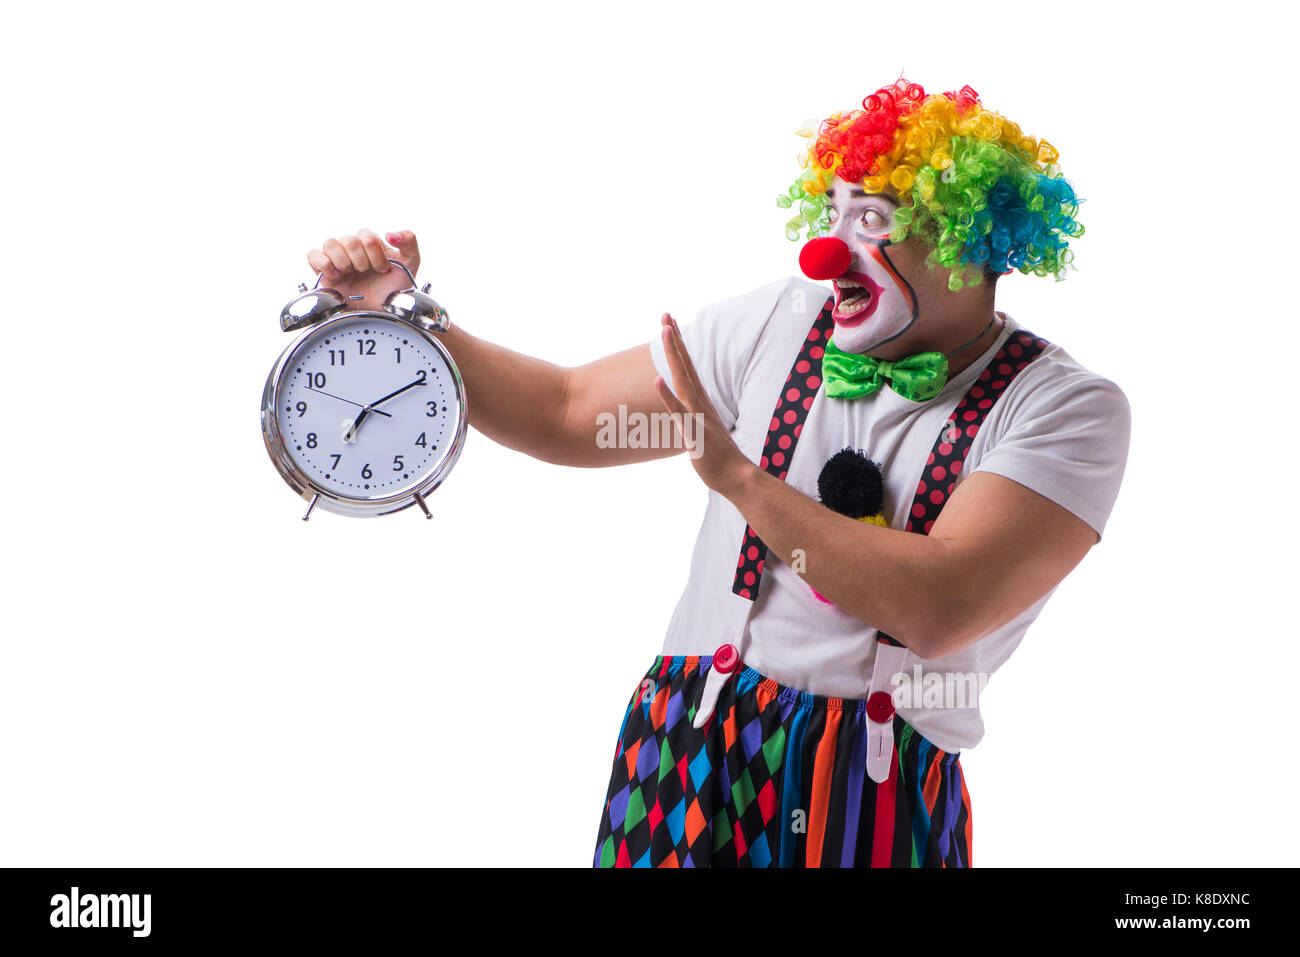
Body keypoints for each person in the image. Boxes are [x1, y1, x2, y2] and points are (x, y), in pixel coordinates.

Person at [305, 77, 1131, 868]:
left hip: (874, 776)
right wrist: (411, 317)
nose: (827, 251)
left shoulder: (1062, 409)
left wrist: (737, 477)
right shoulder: (781, 321)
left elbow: (939, 606)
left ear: (969, 246)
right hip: (684, 744)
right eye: (833, 211)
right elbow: (563, 410)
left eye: (873, 220)